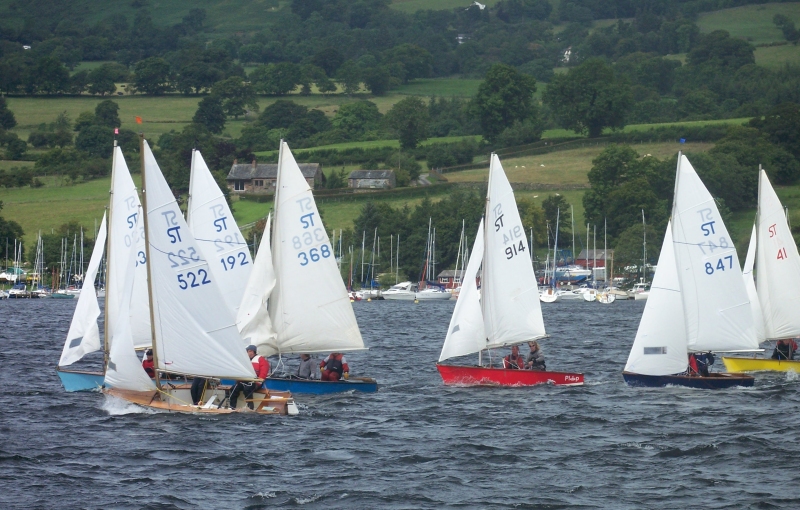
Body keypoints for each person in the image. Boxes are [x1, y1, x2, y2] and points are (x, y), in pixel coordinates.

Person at [229, 345, 270, 409]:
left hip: (255, 382)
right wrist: (238, 380)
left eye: (248, 351)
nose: (247, 353)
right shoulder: (245, 360)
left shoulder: (261, 360)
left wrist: (258, 383)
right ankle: (232, 407)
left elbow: (263, 373)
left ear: (252, 352)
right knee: (234, 389)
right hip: (244, 381)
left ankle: (250, 408)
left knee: (247, 390)